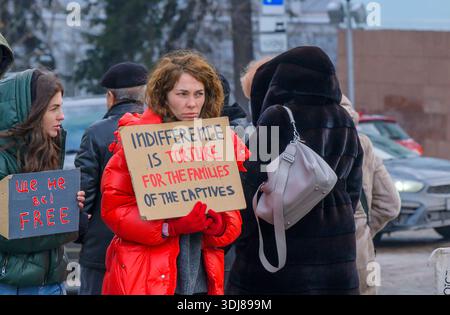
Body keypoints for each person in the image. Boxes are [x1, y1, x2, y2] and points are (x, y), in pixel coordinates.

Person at [100, 50, 249, 295]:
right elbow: (114, 210)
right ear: (164, 96)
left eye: (199, 94)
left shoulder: (215, 141)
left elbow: (232, 217)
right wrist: (169, 227)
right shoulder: (138, 141)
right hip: (147, 277)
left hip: (202, 279)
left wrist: (219, 225)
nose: (192, 104)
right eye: (182, 94)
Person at [228, 46, 363, 294]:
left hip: (281, 258)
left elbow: (248, 184)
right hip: (336, 255)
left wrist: (238, 237)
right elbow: (353, 188)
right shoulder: (344, 120)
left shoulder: (276, 116)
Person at [0, 69, 85, 295]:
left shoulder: (48, 149)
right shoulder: (2, 161)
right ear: (33, 113)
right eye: (54, 109)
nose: (62, 116)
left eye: (61, 107)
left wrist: (70, 205)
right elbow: (7, 234)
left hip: (53, 283)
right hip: (11, 285)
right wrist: (67, 225)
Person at [74, 62, 148, 295]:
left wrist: (85, 234)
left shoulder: (95, 133)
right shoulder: (159, 131)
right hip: (148, 248)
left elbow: (83, 194)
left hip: (101, 250)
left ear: (110, 97)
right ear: (145, 95)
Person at [340, 95, 401, 295]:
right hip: (362, 253)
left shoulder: (298, 139)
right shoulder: (363, 142)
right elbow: (390, 204)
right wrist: (363, 230)